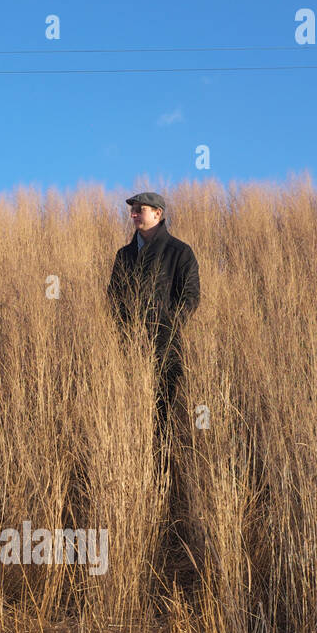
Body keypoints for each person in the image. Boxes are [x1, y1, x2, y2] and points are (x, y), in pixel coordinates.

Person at [106, 191, 200, 461]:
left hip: (166, 349)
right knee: (133, 414)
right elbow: (113, 297)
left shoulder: (179, 251)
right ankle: (135, 469)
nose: (134, 214)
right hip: (129, 349)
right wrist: (125, 331)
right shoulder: (124, 255)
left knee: (163, 418)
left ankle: (162, 473)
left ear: (158, 213)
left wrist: (167, 327)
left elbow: (190, 296)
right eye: (132, 210)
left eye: (140, 209)